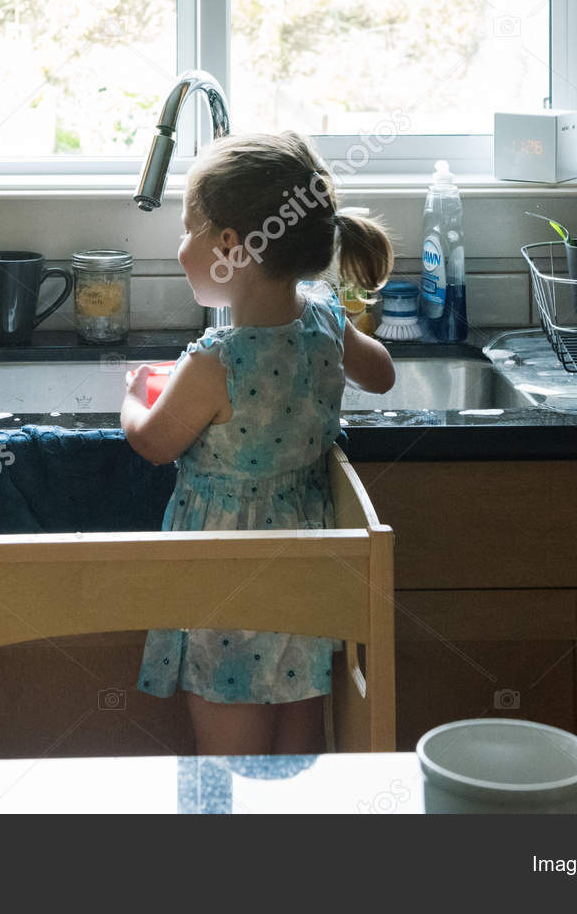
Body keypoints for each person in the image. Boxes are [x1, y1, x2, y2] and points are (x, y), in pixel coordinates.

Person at [122, 130, 396, 755]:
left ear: (228, 246)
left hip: (229, 588)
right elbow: (380, 374)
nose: (181, 245)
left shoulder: (218, 361)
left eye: (189, 229)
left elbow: (154, 443)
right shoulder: (326, 316)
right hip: (307, 585)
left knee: (229, 775)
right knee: (296, 777)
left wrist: (135, 393)